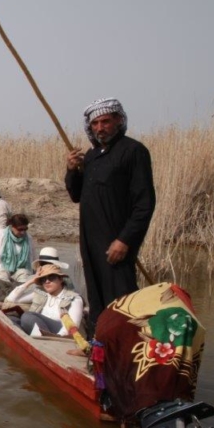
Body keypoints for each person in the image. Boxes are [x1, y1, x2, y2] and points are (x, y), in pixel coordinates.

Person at [65, 98, 156, 319]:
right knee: (96, 293)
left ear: (118, 120)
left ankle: (125, 346)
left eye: (105, 121)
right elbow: (76, 195)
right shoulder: (92, 155)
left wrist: (125, 240)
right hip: (90, 240)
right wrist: (71, 170)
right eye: (95, 123)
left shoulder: (133, 151)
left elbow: (145, 203)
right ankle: (98, 344)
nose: (99, 128)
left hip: (115, 241)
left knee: (121, 296)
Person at [4, 264, 85, 336]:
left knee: (27, 317)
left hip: (59, 333)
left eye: (51, 278)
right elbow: (11, 299)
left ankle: (39, 338)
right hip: (40, 329)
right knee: (10, 319)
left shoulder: (74, 298)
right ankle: (26, 338)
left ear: (60, 279)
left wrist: (58, 338)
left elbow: (72, 326)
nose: (47, 281)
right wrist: (31, 281)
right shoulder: (42, 294)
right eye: (43, 279)